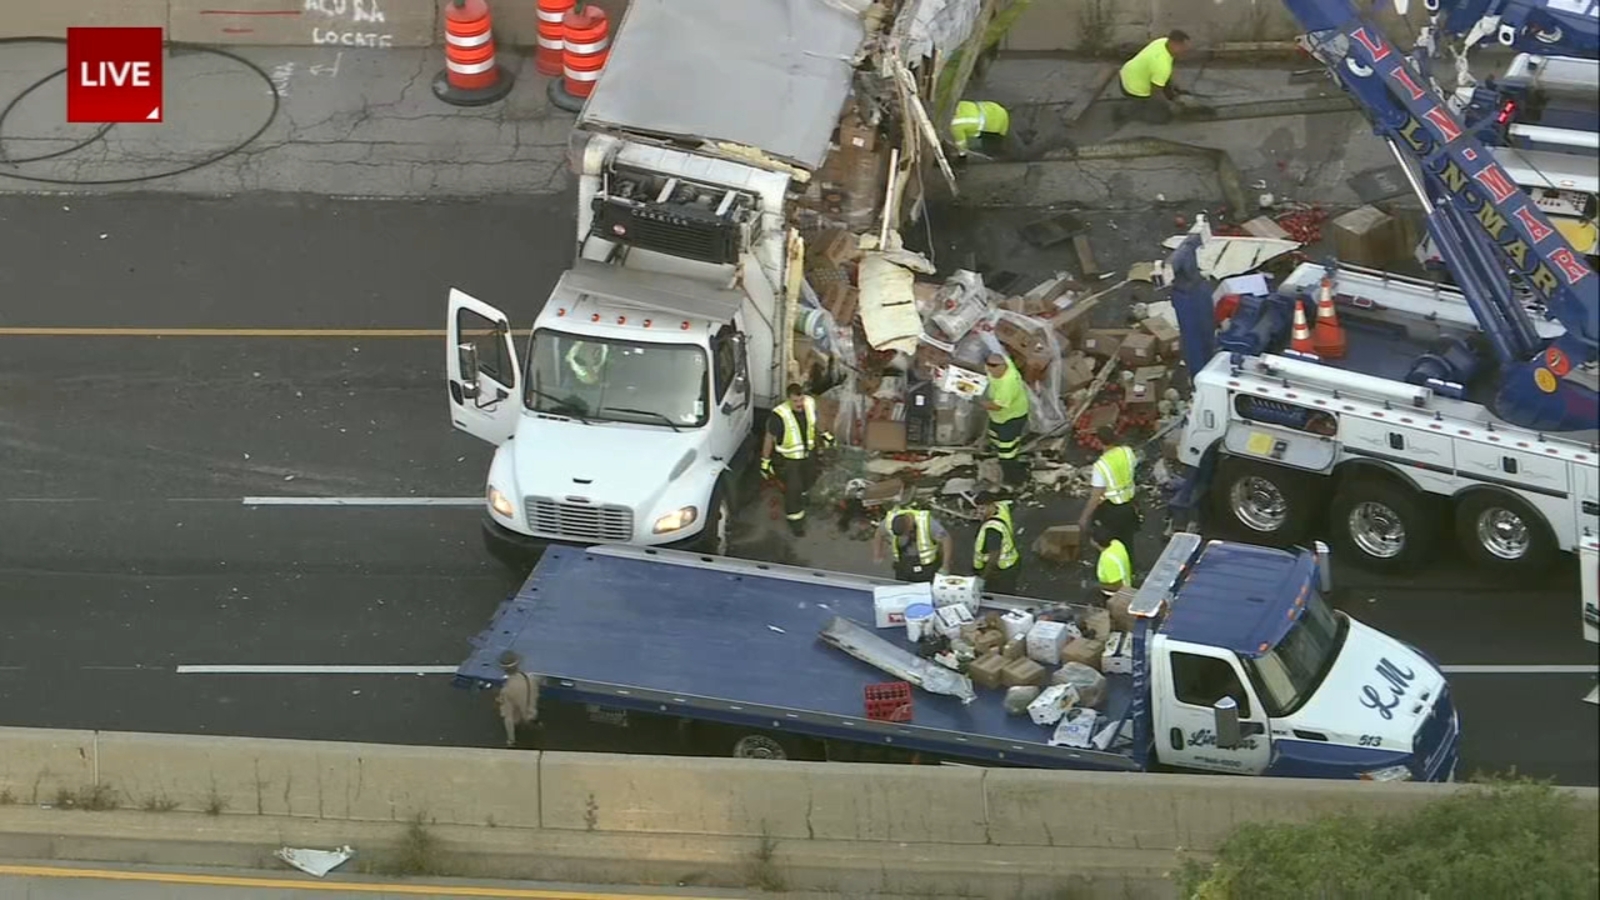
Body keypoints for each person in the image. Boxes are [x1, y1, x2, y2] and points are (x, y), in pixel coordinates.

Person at [761, 383, 833, 536]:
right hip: (789, 461)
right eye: (795, 401)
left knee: (810, 479)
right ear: (788, 399)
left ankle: (803, 496)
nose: (799, 404)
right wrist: (765, 461)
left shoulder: (809, 402)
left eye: (800, 400)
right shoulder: (779, 415)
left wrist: (826, 435)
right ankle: (796, 522)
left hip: (808, 455)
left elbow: (816, 421)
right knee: (793, 490)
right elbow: (769, 438)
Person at [1077, 425, 1142, 572]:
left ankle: (1111, 571)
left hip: (1111, 510)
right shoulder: (1127, 452)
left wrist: (1084, 517)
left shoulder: (1101, 466)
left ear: (1099, 443)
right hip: (1130, 505)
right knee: (1127, 541)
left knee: (1106, 542)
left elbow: (1095, 496)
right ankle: (1130, 567)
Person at [1116, 30, 1192, 125]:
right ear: (1174, 44)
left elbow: (1163, 77)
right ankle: (1128, 111)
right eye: (1183, 48)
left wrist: (1173, 89)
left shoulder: (1162, 42)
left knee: (1168, 92)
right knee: (1162, 118)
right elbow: (1155, 92)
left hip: (1126, 73)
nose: (1185, 51)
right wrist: (1170, 106)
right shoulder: (1162, 66)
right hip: (1133, 89)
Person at [981, 352, 1031, 487]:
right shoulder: (1000, 365)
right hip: (998, 418)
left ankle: (1015, 479)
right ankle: (1002, 455)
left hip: (1011, 418)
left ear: (1003, 366)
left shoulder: (1007, 384)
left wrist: (976, 401)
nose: (989, 369)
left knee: (1007, 453)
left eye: (993, 366)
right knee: (994, 436)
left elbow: (997, 406)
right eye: (988, 365)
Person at [873, 506, 954, 583]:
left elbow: (946, 539)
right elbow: (879, 533)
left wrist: (945, 566)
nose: (905, 536)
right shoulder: (889, 521)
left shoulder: (927, 522)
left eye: (906, 533)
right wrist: (878, 554)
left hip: (927, 566)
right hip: (903, 564)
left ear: (909, 527)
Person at [971, 491, 1021, 595]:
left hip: (1000, 570)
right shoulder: (1001, 507)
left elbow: (994, 556)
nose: (979, 512)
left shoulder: (992, 530)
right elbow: (1010, 503)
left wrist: (983, 578)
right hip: (1012, 561)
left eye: (982, 508)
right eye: (978, 508)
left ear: (991, 505)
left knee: (1000, 596)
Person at [495, 651, 540, 747]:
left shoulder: (507, 690)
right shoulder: (530, 679)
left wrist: (511, 740)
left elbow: (509, 717)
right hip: (532, 717)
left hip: (520, 723)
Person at [949, 99, 1014, 162]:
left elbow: (961, 143)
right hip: (994, 108)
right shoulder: (960, 104)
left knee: (991, 148)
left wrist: (962, 156)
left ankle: (998, 154)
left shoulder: (956, 125)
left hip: (993, 126)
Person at [1089, 521, 1134, 597]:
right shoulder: (1117, 543)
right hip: (1127, 585)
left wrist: (1096, 585)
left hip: (1113, 595)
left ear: (1095, 542)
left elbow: (1117, 586)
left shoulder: (1108, 559)